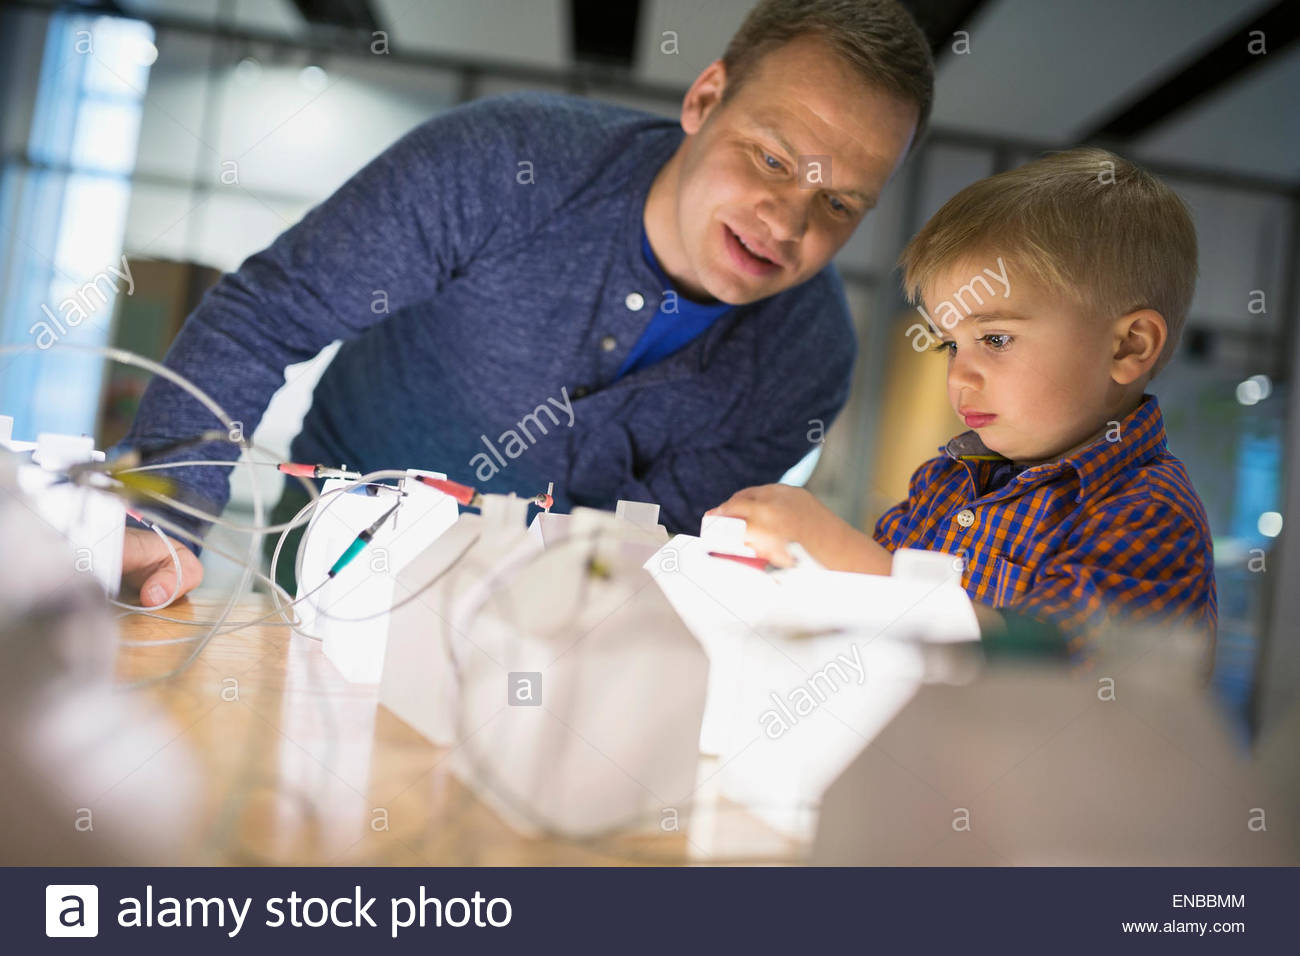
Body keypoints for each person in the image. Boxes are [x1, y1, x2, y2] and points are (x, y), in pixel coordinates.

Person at [118, 0, 933, 605]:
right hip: (333, 556)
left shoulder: (810, 356)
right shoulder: (501, 163)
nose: (788, 222)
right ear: (704, 99)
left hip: (547, 624)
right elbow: (265, 314)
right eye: (772, 159)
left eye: (839, 206)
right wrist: (170, 513)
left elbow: (657, 557)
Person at [712, 148, 1217, 657]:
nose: (958, 374)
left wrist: (840, 551)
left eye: (996, 339)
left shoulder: (1148, 516)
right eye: (949, 344)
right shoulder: (943, 483)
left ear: (1129, 346)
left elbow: (1051, 672)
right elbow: (867, 634)